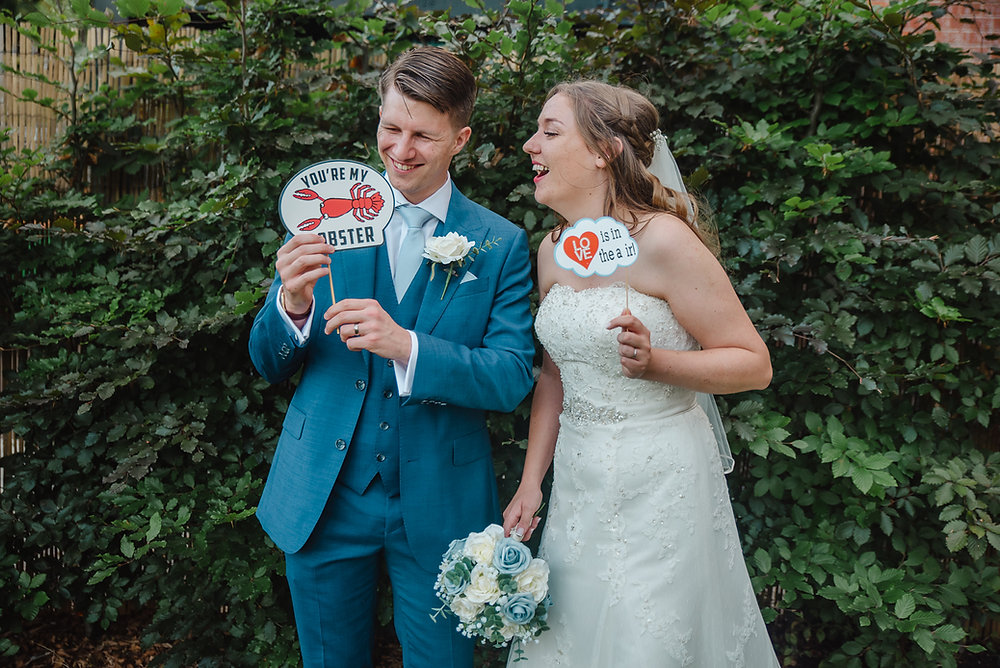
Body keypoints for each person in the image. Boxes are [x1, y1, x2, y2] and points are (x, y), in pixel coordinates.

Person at [249, 46, 535, 668]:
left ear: (460, 138)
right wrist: (291, 306)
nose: (401, 150)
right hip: (325, 495)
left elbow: (512, 376)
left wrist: (408, 347)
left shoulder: (500, 243)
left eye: (422, 136)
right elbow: (267, 362)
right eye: (390, 128)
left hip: (439, 499)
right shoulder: (326, 213)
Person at [502, 80, 781, 667]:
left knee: (647, 641)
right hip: (579, 482)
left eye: (550, 132)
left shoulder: (664, 241)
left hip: (661, 481)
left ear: (604, 149)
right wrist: (532, 481)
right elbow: (554, 377)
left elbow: (753, 364)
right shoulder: (553, 250)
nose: (531, 144)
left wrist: (659, 364)